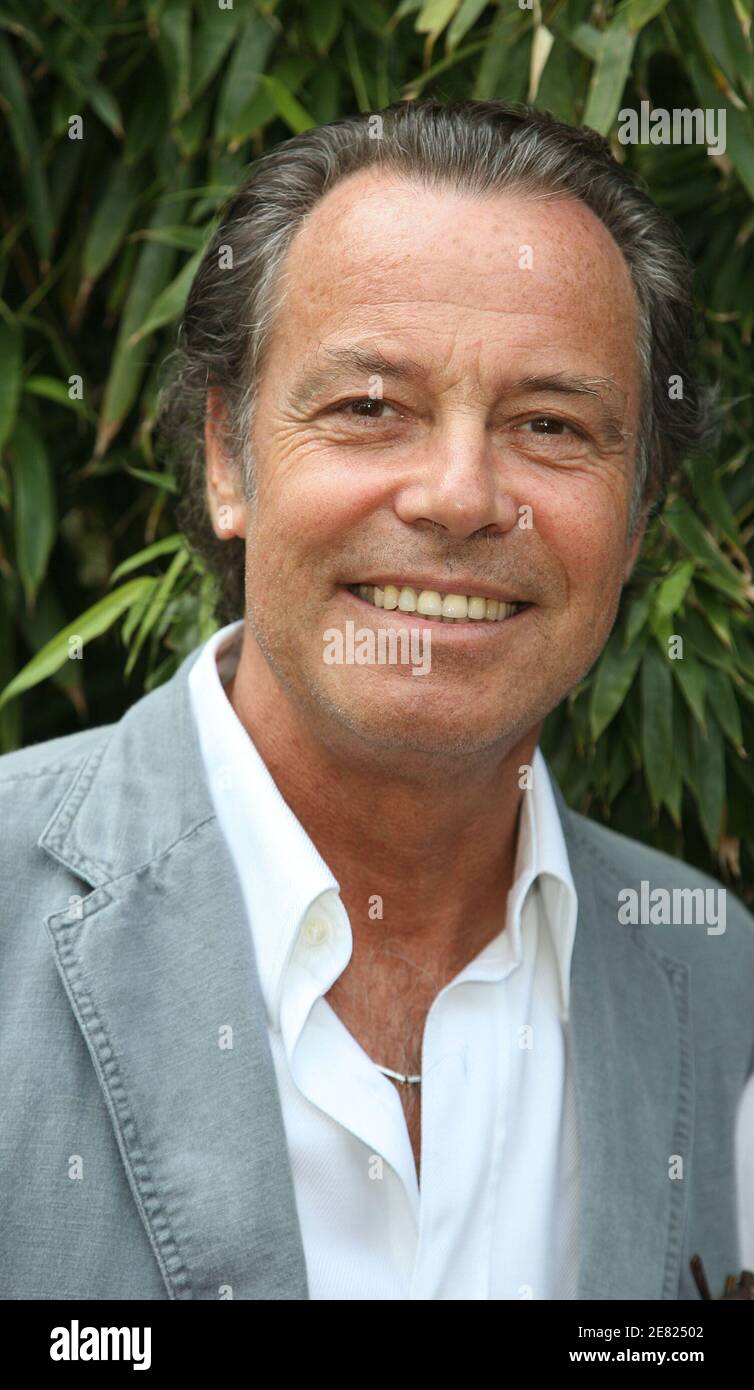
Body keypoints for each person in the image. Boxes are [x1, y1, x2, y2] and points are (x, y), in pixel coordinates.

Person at [1, 99, 752, 1301]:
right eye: (368, 407)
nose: (459, 496)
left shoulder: (719, 980)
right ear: (227, 456)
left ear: (639, 516)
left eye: (550, 424)